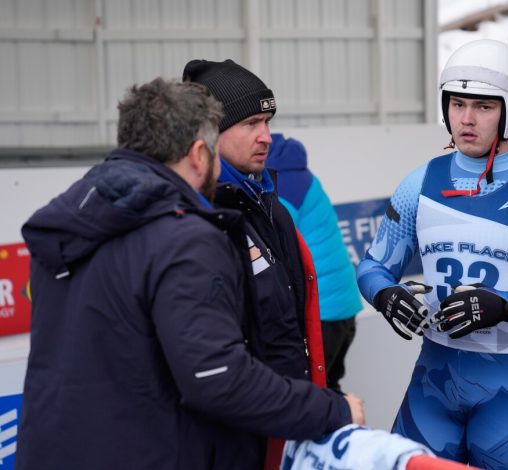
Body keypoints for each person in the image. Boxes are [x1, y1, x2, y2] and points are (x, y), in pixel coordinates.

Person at [15, 78, 362, 470]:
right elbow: (218, 376)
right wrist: (331, 410)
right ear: (199, 154)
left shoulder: (69, 221)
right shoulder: (185, 237)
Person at [356, 39, 508, 470]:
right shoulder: (419, 182)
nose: (466, 119)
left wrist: (506, 306)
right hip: (433, 382)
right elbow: (374, 266)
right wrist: (385, 294)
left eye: (484, 107)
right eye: (456, 103)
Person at [182, 59, 363, 466]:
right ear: (209, 133)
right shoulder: (201, 209)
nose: (265, 136)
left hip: (293, 378)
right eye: (251, 123)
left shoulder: (265, 194)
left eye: (268, 121)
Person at [266, 133, 364, 392]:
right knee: (329, 388)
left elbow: (274, 243)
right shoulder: (304, 176)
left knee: (312, 397)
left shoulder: (280, 184)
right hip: (344, 307)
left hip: (321, 312)